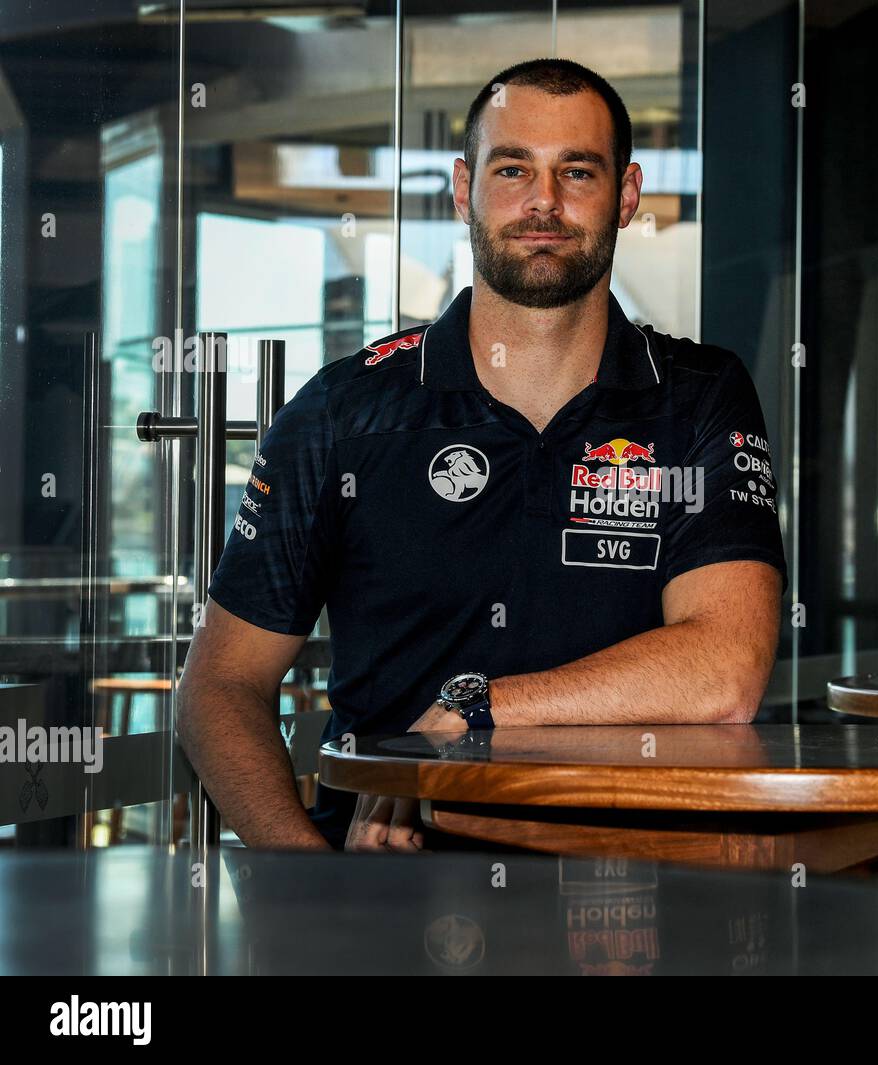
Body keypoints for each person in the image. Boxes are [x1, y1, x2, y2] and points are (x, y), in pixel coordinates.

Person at [177, 57, 787, 852]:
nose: (545, 201)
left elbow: (726, 669)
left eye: (578, 170)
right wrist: (309, 886)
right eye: (513, 169)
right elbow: (218, 687)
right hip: (397, 900)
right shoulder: (344, 412)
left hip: (632, 893)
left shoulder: (699, 395)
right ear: (463, 189)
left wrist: (482, 705)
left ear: (627, 197)